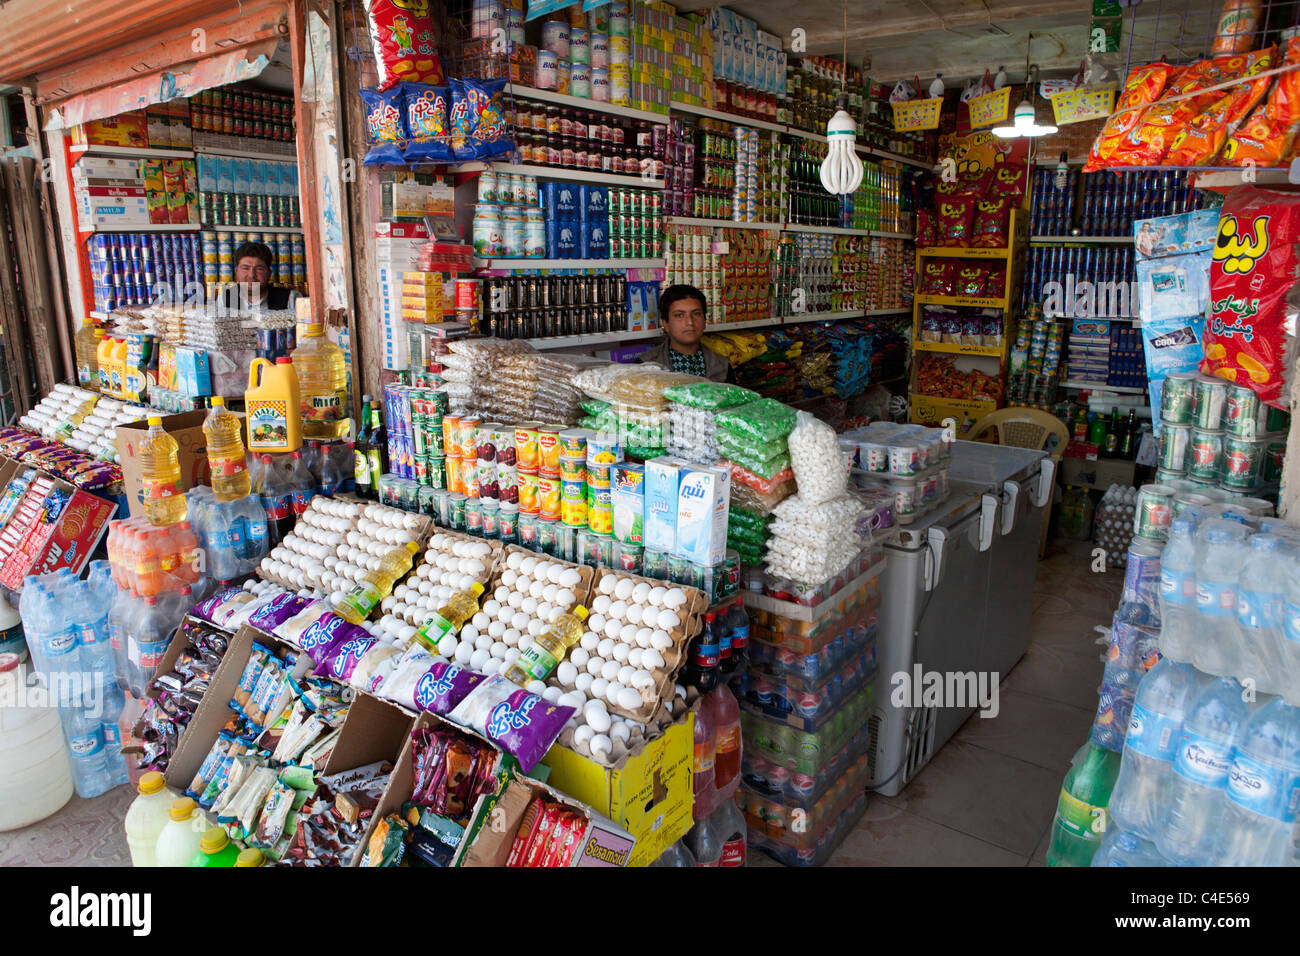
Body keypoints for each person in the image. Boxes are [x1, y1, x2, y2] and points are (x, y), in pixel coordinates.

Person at [637, 284, 730, 382]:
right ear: (665, 324)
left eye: (696, 314)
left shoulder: (722, 366)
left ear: (704, 321)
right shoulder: (646, 365)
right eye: (679, 315)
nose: (690, 322)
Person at [220, 242, 299, 312]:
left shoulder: (291, 299)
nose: (251, 275)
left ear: (269, 273)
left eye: (259, 269)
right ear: (236, 272)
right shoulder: (224, 299)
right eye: (245, 268)